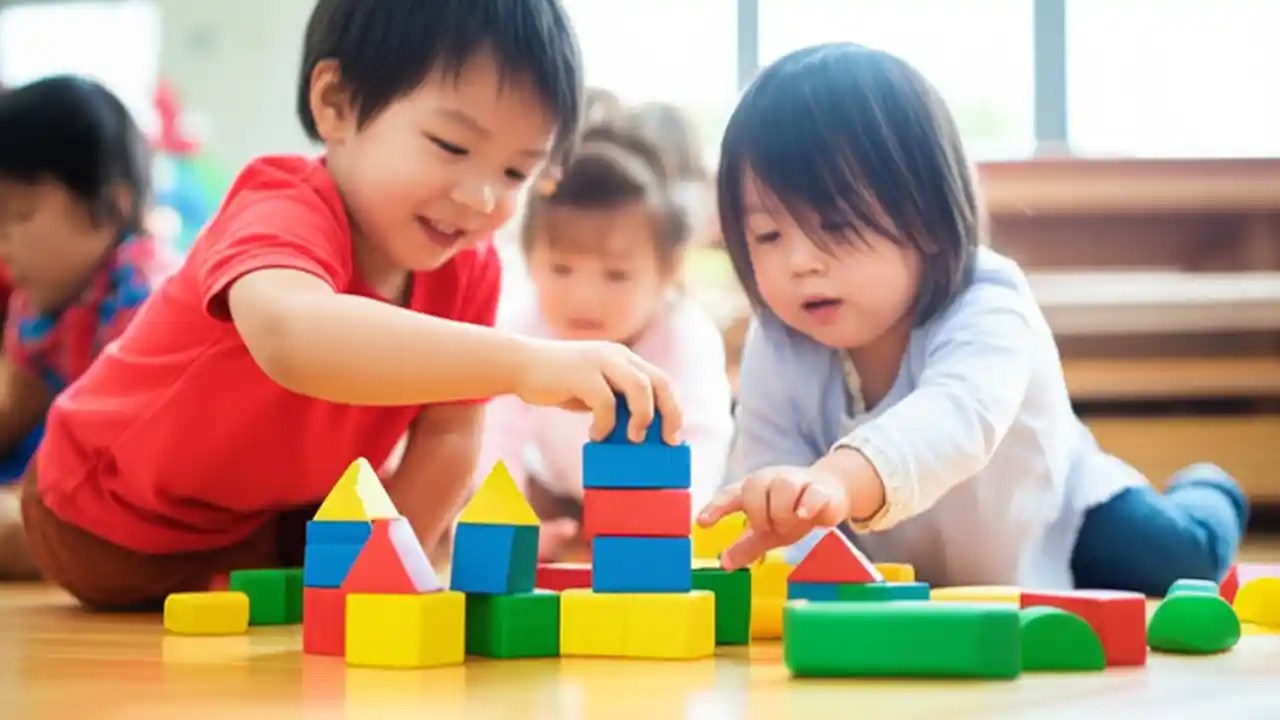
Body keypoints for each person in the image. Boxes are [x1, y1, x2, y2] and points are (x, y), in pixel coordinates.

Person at [19, 0, 682, 608]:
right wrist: (522, 363)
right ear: (335, 103)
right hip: (107, 513)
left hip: (267, 521)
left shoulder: (467, 268)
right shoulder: (280, 208)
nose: (481, 197)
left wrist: (390, 582)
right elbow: (293, 334)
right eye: (451, 146)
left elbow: (450, 435)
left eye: (515, 172)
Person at [697, 43, 1246, 595]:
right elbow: (775, 467)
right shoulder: (778, 338)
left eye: (835, 226)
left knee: (1182, 558)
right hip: (910, 555)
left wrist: (836, 479)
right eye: (768, 234)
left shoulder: (987, 300)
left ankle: (1211, 489)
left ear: (929, 220)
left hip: (1051, 519)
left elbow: (956, 418)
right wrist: (783, 525)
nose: (799, 262)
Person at [479, 124, 733, 560]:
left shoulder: (685, 335)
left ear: (667, 271)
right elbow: (496, 436)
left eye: (616, 275)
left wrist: (668, 525)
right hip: (559, 493)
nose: (584, 298)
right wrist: (508, 525)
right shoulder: (521, 326)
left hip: (656, 500)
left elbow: (702, 440)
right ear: (529, 259)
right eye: (561, 269)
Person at [0, 76, 172, 580]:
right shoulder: (40, 299)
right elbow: (17, 400)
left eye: (17, 215)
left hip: (130, 481)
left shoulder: (144, 296)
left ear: (110, 208)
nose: (2, 243)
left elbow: (128, 450)